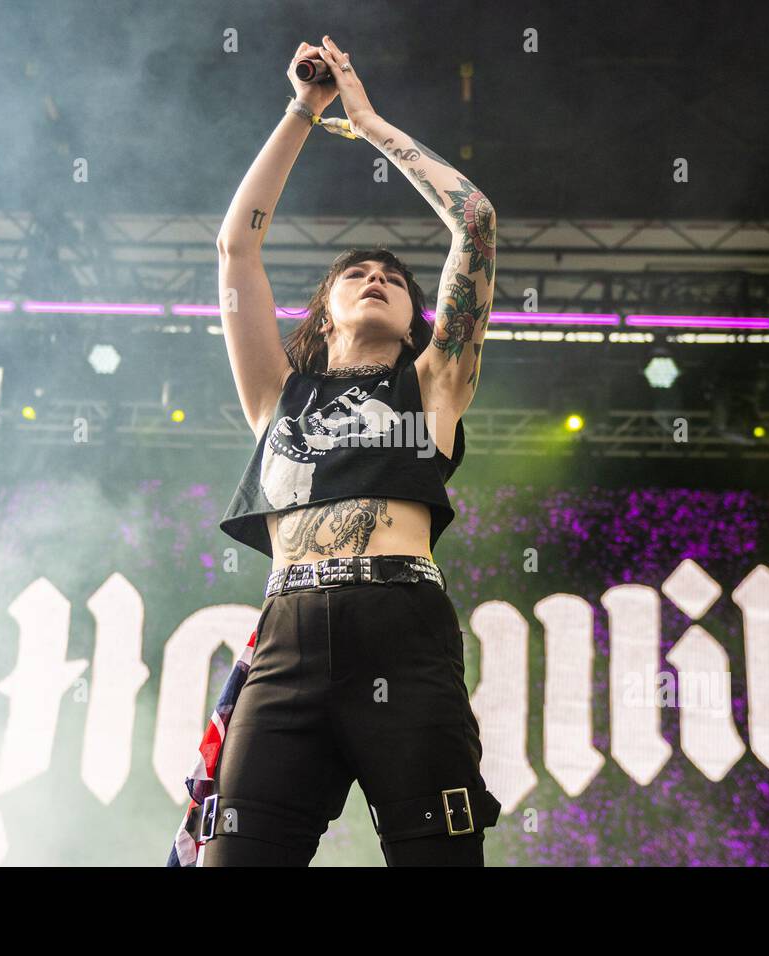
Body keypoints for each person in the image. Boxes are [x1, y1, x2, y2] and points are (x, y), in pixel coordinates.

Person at [186, 35, 499, 867]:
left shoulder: (434, 384)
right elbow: (235, 250)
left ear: (416, 317)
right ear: (323, 313)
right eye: (356, 273)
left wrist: (364, 121)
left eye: (395, 277)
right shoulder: (276, 395)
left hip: (403, 628)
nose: (377, 277)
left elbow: (473, 220)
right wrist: (301, 112)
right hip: (287, 635)